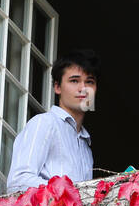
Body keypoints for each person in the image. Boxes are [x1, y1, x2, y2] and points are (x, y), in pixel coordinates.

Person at [5, 49, 98, 194]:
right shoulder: (45, 123)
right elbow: (18, 182)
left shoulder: (86, 146)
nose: (83, 88)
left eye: (89, 82)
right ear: (57, 87)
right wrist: (66, 192)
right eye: (74, 81)